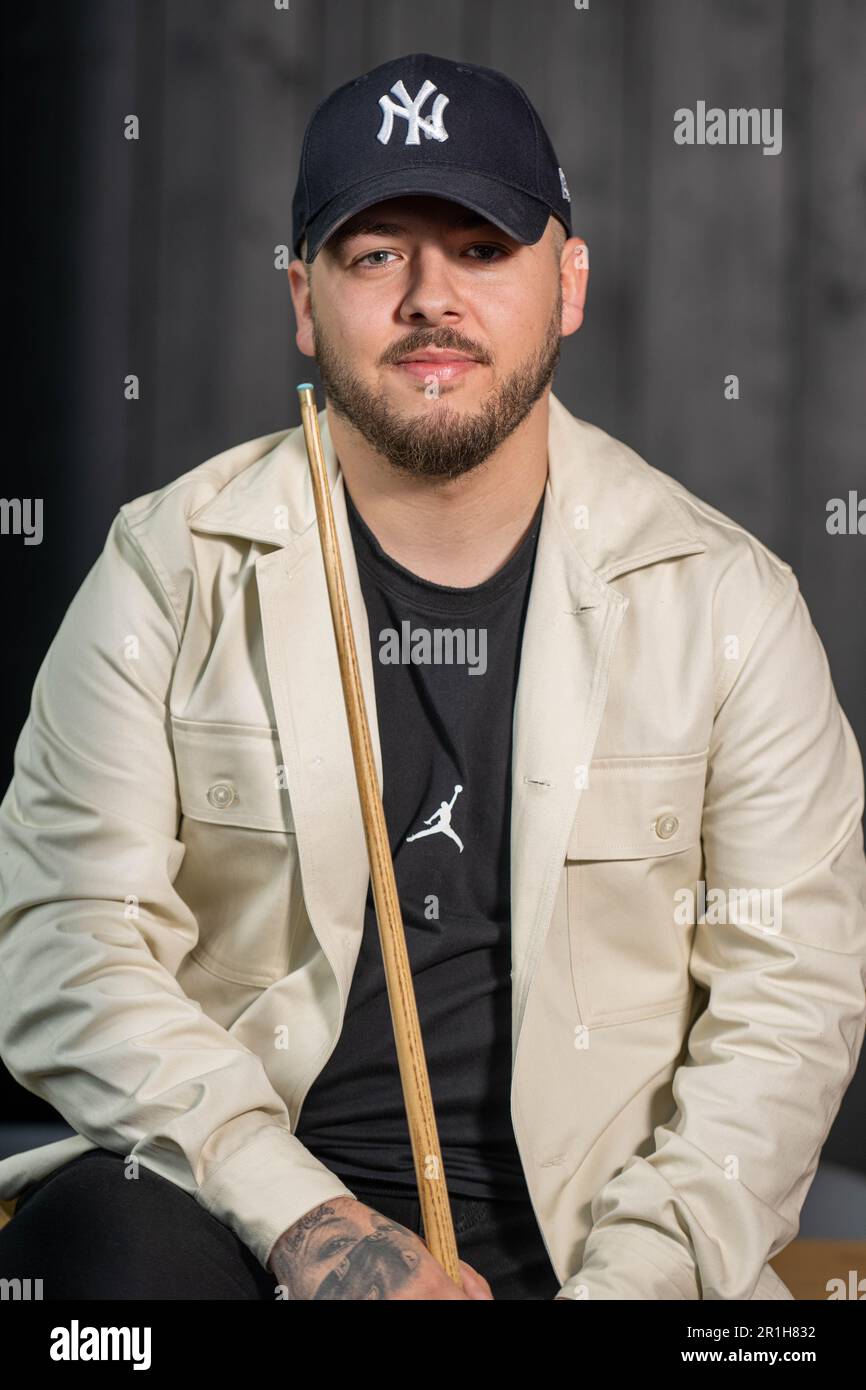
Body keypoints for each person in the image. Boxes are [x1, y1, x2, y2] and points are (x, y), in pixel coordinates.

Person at [0, 51, 864, 1302]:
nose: (428, 297)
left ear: (565, 283)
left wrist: (634, 1282)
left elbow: (787, 1005)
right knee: (100, 1269)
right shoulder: (166, 571)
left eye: (479, 247)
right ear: (304, 301)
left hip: (602, 1243)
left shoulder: (725, 602)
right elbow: (68, 944)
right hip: (247, 1217)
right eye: (373, 254)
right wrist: (319, 1234)